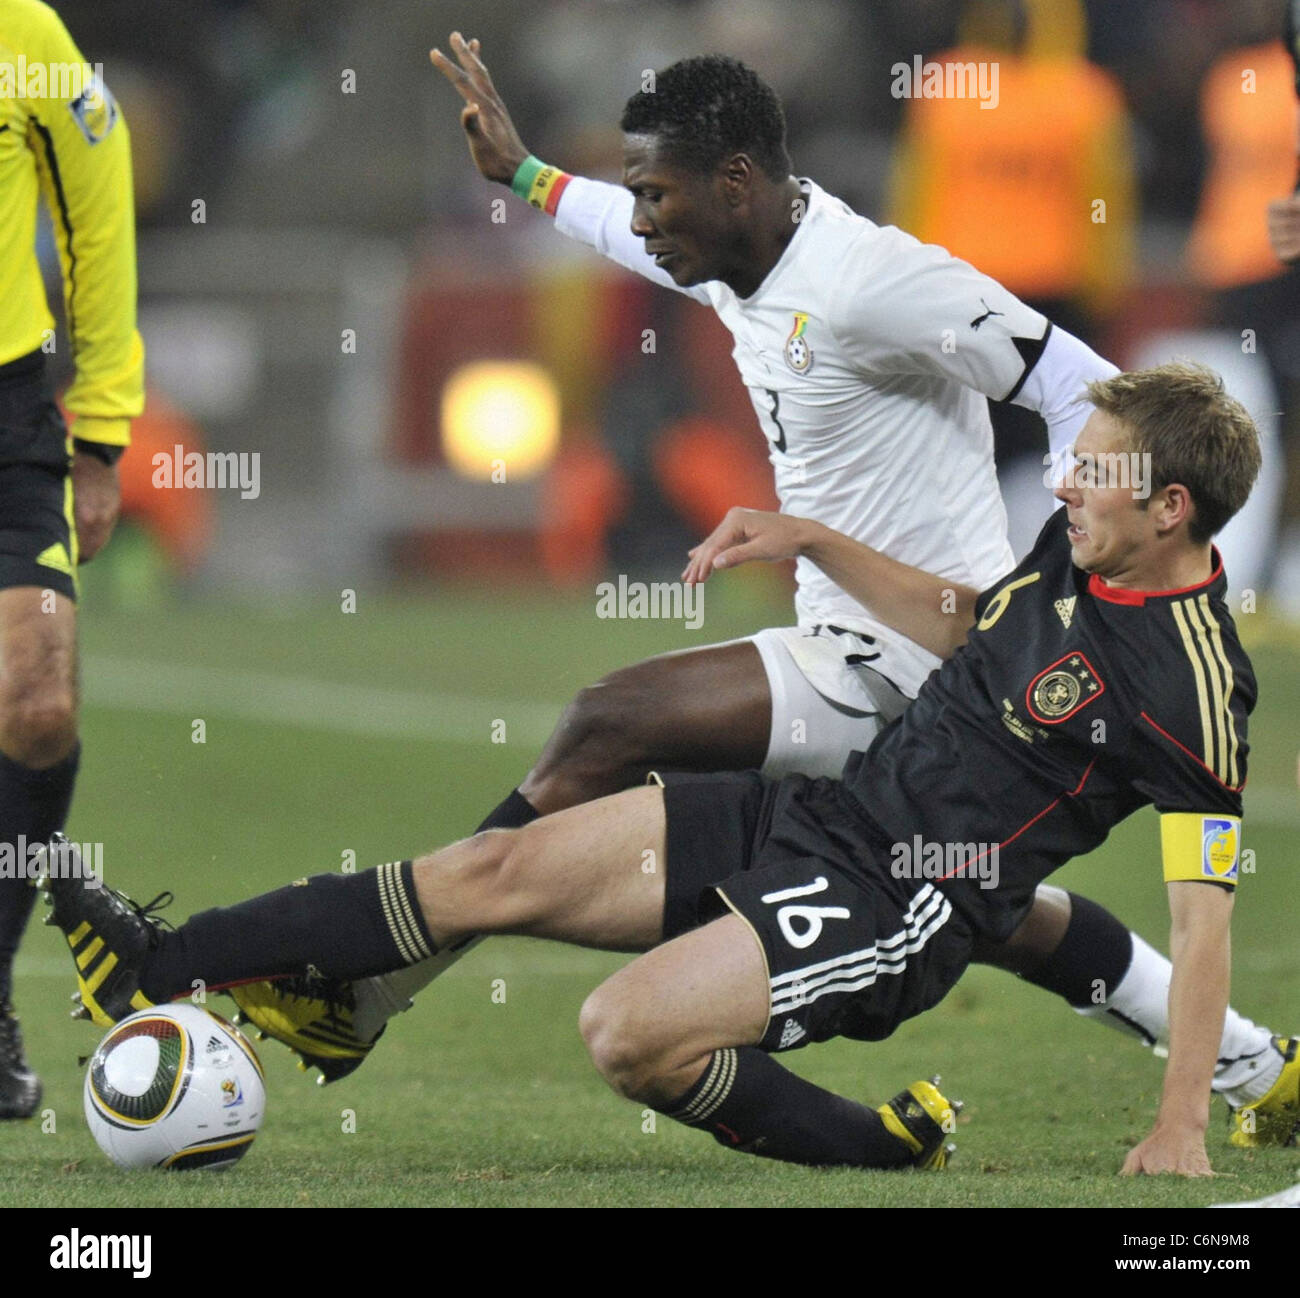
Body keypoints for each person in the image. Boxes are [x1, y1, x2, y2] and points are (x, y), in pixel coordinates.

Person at [218, 40, 1294, 1141]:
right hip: (856, 633)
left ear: (734, 182)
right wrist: (526, 175)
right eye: (643, 196)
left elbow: (1080, 382)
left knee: (612, 721)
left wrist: (1059, 589)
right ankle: (1257, 1064)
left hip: (925, 653)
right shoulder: (739, 256)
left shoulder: (878, 283)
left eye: (660, 196)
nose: (646, 222)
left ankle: (368, 988)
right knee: (986, 901)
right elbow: (628, 232)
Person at [42, 363, 1293, 1174]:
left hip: (890, 907)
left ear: (1170, 507)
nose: (1064, 479)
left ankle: (879, 1147)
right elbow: (974, 622)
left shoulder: (1193, 688)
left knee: (624, 1032)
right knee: (490, 866)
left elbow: (1205, 918)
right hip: (817, 816)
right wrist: (812, 537)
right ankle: (161, 962)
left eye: (1095, 468)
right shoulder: (1078, 548)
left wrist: (1179, 1121)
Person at [0, 0, 143, 1119]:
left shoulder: (22, 35)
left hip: (6, 416)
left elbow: (98, 209)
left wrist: (101, 430)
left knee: (38, 702)